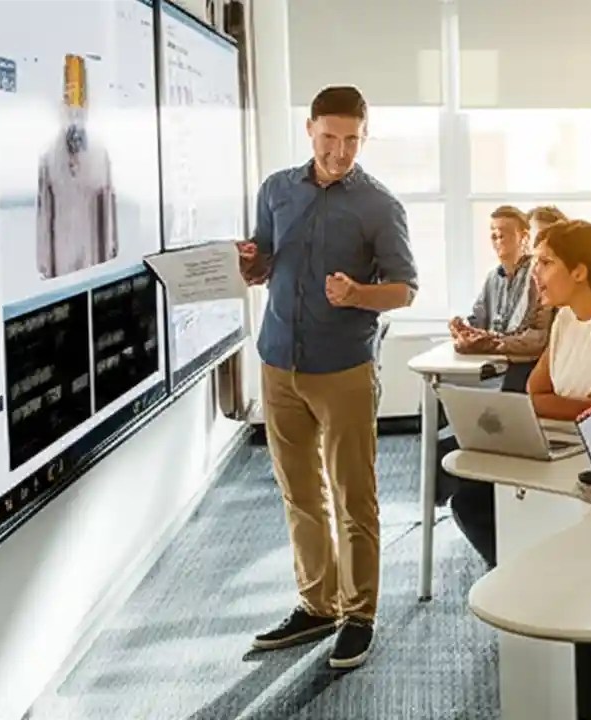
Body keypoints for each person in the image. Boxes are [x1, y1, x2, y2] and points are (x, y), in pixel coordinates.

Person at [236, 86, 418, 670]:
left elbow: (405, 288)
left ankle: (359, 614)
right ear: (309, 129)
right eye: (328, 138)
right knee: (299, 494)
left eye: (351, 140)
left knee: (353, 497)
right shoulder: (276, 190)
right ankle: (317, 604)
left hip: (343, 366)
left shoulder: (379, 206)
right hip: (277, 361)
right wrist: (249, 263)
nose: (339, 152)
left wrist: (358, 294)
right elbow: (265, 265)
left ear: (365, 137)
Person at [451, 219, 591, 567]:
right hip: (575, 442)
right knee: (469, 498)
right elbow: (536, 393)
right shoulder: (566, 319)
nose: (535, 274)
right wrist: (587, 405)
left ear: (579, 272)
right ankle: (516, 573)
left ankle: (528, 575)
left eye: (545, 263)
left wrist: (580, 406)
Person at [448, 205, 552, 392]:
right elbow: (477, 321)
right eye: (493, 234)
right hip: (493, 360)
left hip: (524, 365)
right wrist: (463, 330)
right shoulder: (492, 278)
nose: (498, 238)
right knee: (445, 386)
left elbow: (538, 338)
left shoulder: (538, 277)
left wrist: (493, 344)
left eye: (504, 233)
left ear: (524, 237)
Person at [36, 53, 117, 278]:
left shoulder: (100, 155)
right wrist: (44, 263)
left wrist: (110, 258)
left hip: (93, 259)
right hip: (60, 264)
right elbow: (45, 210)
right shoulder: (49, 156)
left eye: (78, 98)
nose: (75, 111)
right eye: (69, 97)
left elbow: (107, 212)